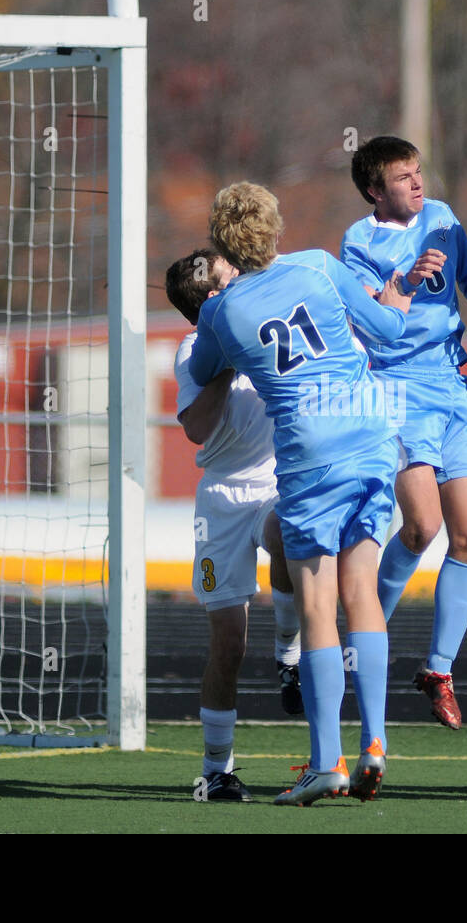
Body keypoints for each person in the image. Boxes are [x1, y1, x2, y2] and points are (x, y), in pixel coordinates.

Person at [187, 182, 412, 806]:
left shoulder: (220, 312)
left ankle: (325, 763)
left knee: (318, 605)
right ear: (276, 228)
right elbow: (389, 329)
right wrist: (392, 297)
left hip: (310, 453)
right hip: (370, 434)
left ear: (221, 244)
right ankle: (375, 743)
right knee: (362, 591)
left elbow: (205, 374)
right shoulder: (317, 264)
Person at [340, 136, 467, 730]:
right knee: (422, 526)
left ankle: (439, 669)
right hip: (396, 388)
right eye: (403, 177)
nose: (418, 184)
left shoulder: (443, 218)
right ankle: (363, 633)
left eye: (419, 171)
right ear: (376, 190)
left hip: (449, 385)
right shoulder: (357, 241)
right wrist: (405, 276)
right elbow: (370, 319)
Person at [167, 247, 304, 803]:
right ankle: (216, 768)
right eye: (225, 277)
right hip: (221, 500)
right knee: (228, 642)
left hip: (276, 481)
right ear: (206, 304)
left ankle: (290, 652)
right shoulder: (189, 353)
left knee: (287, 537)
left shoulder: (264, 321)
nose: (238, 279)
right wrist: (225, 361)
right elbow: (196, 431)